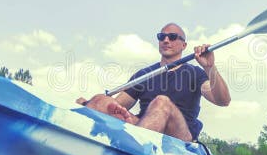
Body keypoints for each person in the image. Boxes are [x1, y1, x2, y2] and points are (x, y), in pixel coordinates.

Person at [77, 23, 231, 141]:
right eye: (161, 37)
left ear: (184, 45)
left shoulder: (195, 73)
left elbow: (223, 100)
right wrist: (89, 104)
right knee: (100, 100)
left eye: (172, 37)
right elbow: (115, 106)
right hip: (144, 127)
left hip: (178, 137)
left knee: (161, 103)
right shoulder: (144, 74)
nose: (165, 40)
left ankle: (135, 147)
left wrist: (210, 68)